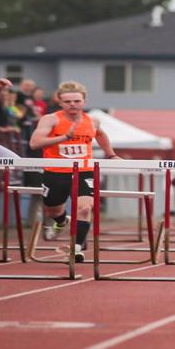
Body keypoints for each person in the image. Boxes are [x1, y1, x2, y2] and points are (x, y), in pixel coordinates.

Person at [29, 81, 119, 262]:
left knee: (85, 208)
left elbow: (100, 134)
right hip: (56, 171)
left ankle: (76, 249)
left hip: (84, 171)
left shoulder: (92, 121)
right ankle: (62, 221)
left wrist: (111, 155)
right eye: (68, 101)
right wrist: (65, 137)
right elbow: (35, 143)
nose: (73, 105)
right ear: (60, 102)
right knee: (52, 211)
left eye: (77, 101)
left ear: (83, 101)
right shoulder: (50, 119)